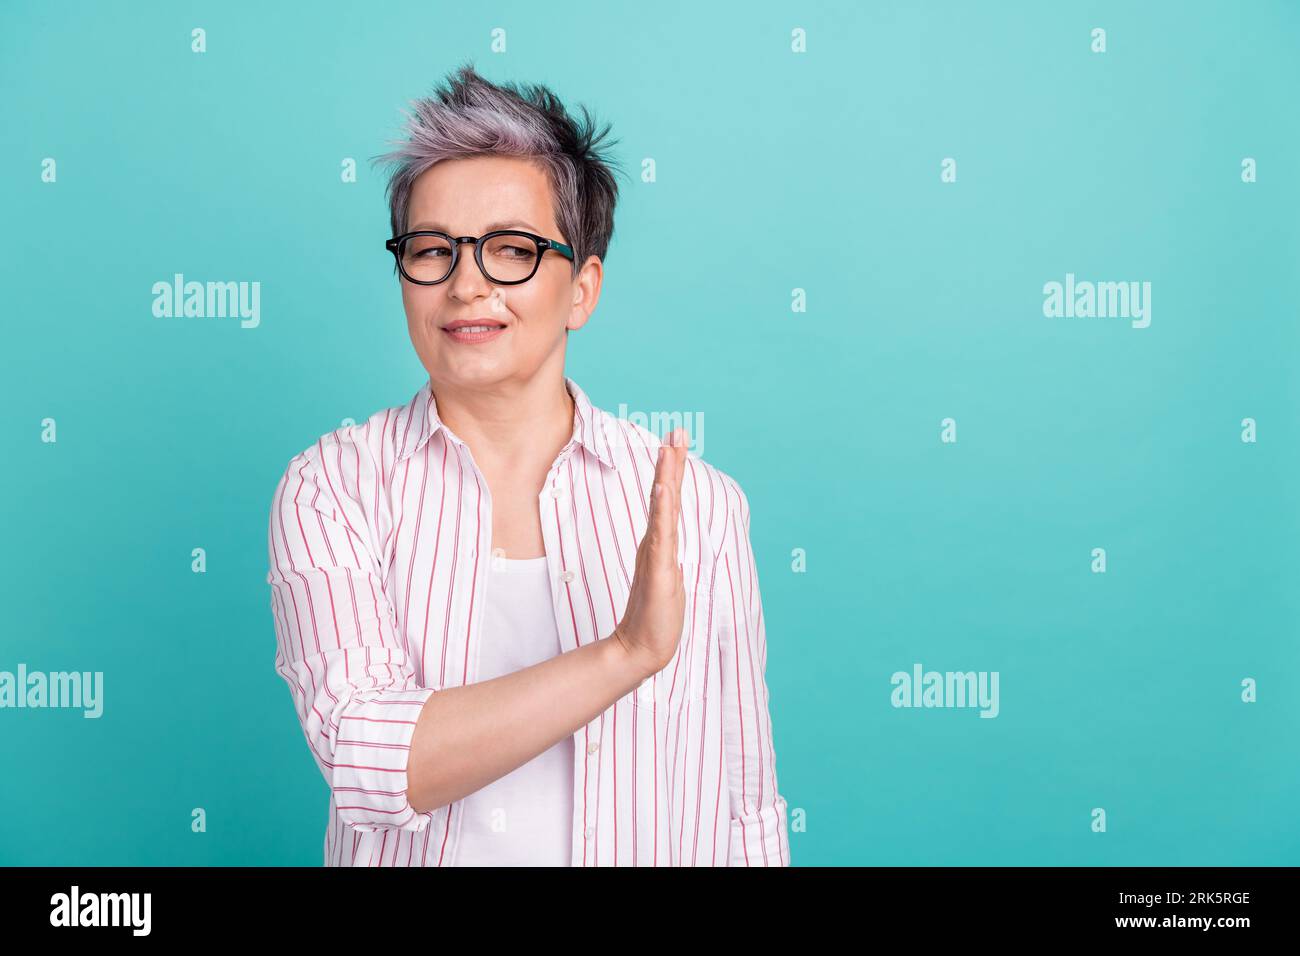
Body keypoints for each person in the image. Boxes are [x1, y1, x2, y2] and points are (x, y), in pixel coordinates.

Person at [265, 62, 787, 866]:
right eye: (433, 250)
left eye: (511, 250)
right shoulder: (332, 489)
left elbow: (745, 809)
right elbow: (370, 762)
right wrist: (626, 654)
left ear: (582, 289)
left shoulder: (702, 509)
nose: (468, 284)